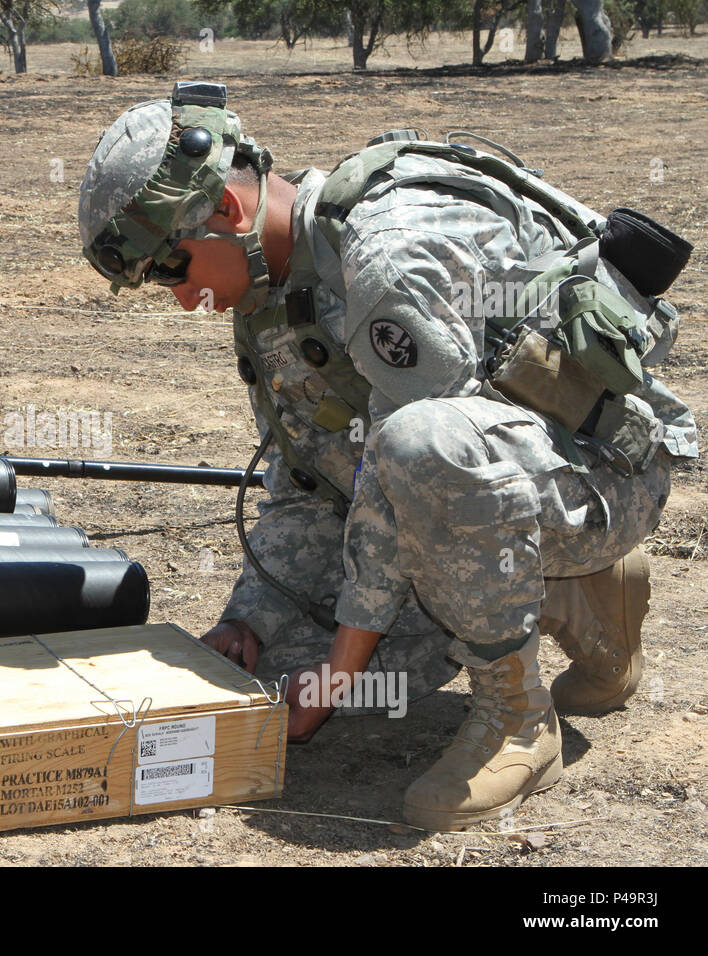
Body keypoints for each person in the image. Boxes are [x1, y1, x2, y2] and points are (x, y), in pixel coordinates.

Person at [77, 81, 697, 831]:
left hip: (597, 477)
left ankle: (518, 716)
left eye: (173, 271)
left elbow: (409, 464)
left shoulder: (384, 255)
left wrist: (342, 670)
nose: (182, 302)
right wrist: (253, 618)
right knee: (271, 680)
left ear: (227, 213)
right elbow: (308, 484)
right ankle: (570, 594)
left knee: (417, 448)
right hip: (474, 497)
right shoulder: (273, 299)